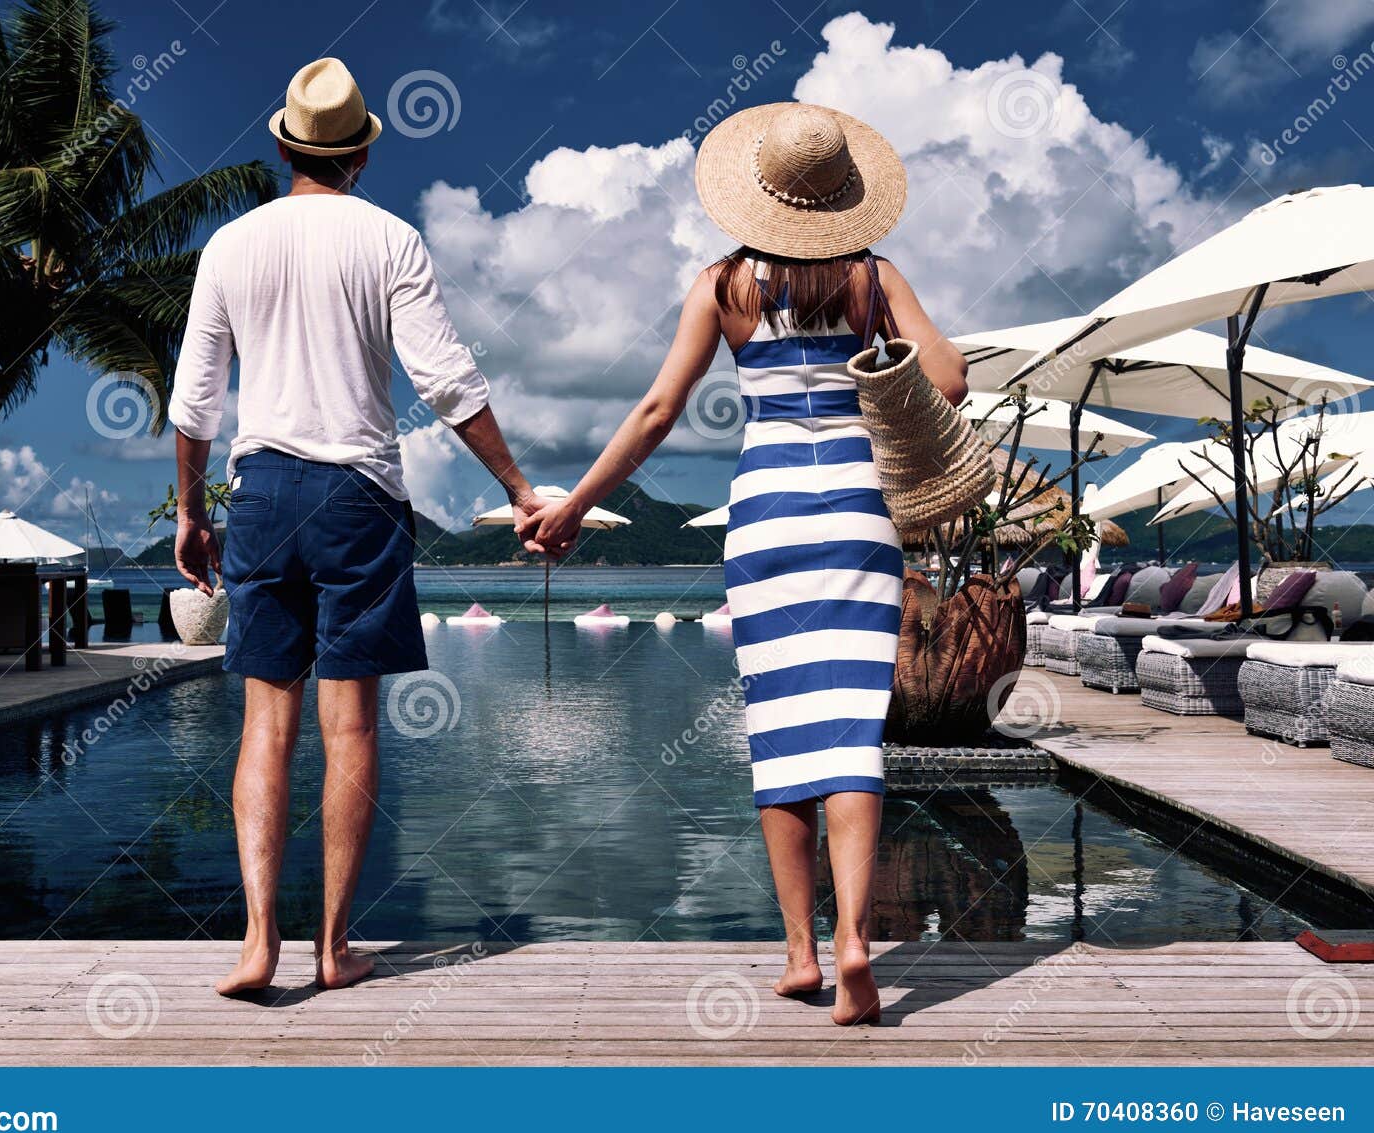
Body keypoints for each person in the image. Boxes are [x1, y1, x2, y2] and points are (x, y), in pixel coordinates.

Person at [524, 103, 967, 1025]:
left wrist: (574, 505)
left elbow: (657, 410)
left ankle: (802, 953)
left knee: (781, 727)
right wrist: (879, 365)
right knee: (852, 732)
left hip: (765, 520)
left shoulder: (723, 286)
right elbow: (952, 378)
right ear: (842, 198)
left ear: (759, 195)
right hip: (859, 515)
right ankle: (855, 938)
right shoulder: (874, 278)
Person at [168, 58, 549, 996]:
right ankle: (334, 947)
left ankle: (257, 941)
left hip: (261, 494)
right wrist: (517, 487)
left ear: (285, 147)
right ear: (363, 153)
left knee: (267, 722)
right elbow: (446, 380)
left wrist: (189, 512)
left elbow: (195, 402)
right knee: (351, 727)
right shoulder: (389, 240)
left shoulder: (230, 245)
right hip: (358, 498)